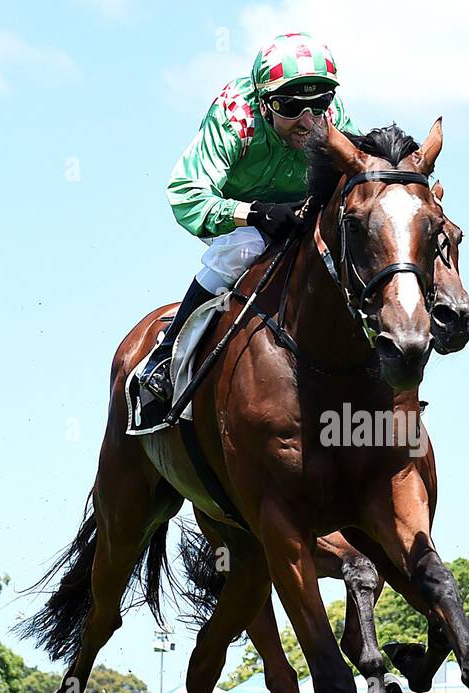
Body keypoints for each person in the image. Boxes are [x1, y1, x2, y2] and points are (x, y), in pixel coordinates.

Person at [141, 31, 361, 419]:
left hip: (306, 211)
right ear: (264, 103)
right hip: (243, 215)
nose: (309, 121)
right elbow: (185, 193)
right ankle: (166, 355)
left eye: (319, 104)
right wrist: (255, 213)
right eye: (290, 106)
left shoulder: (332, 116)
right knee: (243, 245)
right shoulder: (235, 117)